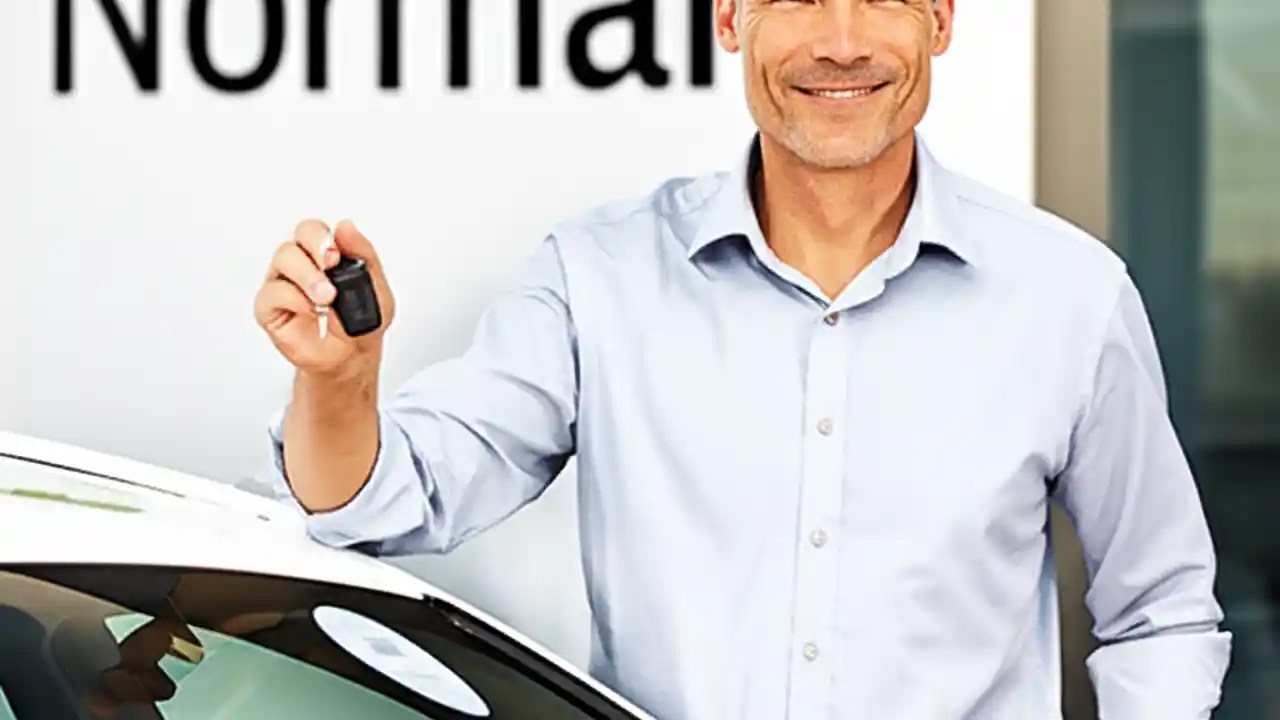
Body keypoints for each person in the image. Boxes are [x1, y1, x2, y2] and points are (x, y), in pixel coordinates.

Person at [252, 0, 1232, 717]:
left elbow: (1162, 612)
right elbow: (390, 503)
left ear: (939, 18)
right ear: (728, 17)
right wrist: (338, 385)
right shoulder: (596, 276)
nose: (840, 39)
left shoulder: (1067, 294)